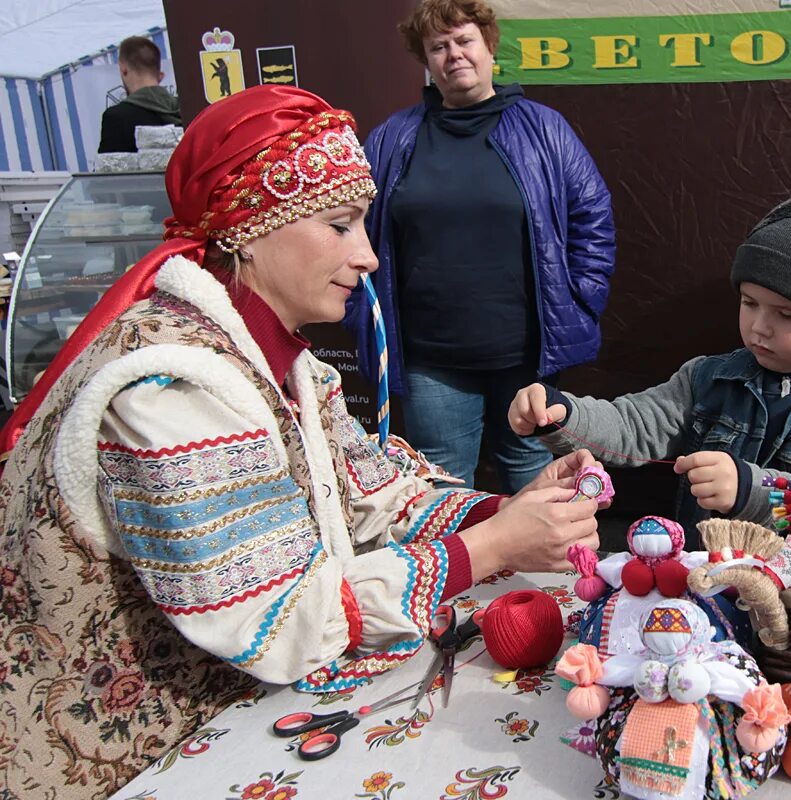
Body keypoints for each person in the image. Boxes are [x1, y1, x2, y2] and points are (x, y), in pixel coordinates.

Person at [0, 85, 601, 799]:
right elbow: (281, 622)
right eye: (340, 225)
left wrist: (504, 511)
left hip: (220, 718)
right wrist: (493, 547)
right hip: (121, 756)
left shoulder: (282, 363)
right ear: (249, 229)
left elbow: (371, 489)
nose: (369, 256)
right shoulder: (167, 391)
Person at [510, 191, 791, 545]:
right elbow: (633, 425)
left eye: (786, 314)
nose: (759, 326)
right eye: (749, 303)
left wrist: (750, 490)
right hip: (698, 583)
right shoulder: (707, 378)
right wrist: (564, 413)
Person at [345, 0, 616, 494]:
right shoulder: (392, 139)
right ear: (427, 61)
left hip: (528, 357)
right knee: (445, 492)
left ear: (489, 47)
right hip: (430, 361)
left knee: (534, 482)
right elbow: (351, 228)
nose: (454, 55)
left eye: (464, 40)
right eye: (438, 47)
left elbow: (592, 216)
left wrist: (580, 299)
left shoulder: (545, 130)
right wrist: (357, 312)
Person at [97, 36, 182, 154]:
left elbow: (108, 165)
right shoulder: (185, 110)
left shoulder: (116, 118)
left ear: (124, 69)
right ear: (160, 75)